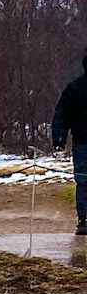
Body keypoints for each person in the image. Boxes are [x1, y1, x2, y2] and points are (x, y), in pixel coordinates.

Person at [52, 48, 87, 238]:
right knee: (83, 181)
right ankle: (83, 219)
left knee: (83, 182)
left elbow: (61, 114)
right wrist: (59, 138)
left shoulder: (74, 86)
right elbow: (62, 114)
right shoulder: (75, 87)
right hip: (82, 142)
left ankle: (83, 219)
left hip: (81, 142)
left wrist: (59, 138)